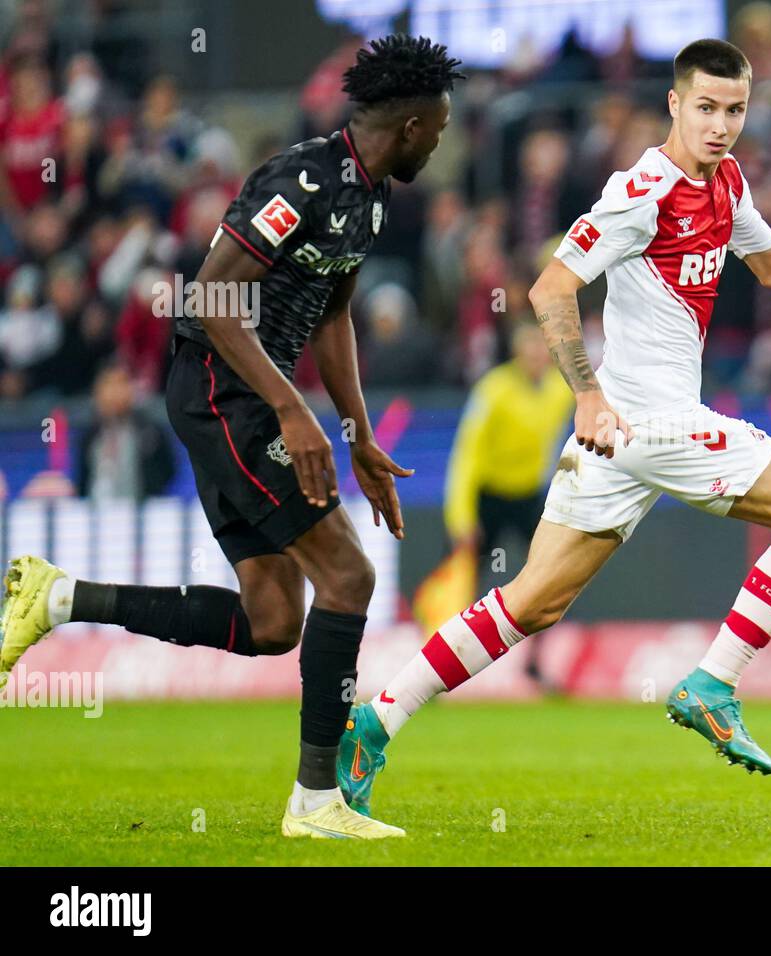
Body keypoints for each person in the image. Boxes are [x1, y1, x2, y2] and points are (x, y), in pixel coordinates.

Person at [336, 39, 771, 818]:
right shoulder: (641, 190)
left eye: (735, 110)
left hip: (623, 437)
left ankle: (374, 721)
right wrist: (585, 395)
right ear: (674, 105)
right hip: (645, 421)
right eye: (706, 108)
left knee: (530, 604)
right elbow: (550, 288)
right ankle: (713, 682)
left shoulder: (726, 182)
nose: (720, 125)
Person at [0, 35, 464, 840]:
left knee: (276, 620)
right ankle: (317, 804)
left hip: (248, 392)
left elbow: (334, 314)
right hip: (221, 385)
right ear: (415, 125)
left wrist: (354, 431)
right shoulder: (304, 178)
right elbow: (212, 301)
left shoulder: (373, 195)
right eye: (442, 129)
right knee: (349, 577)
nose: (443, 141)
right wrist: (292, 410)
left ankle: (58, 596)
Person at [441, 321, 572, 690]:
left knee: (554, 575)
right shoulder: (493, 389)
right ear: (518, 353)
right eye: (530, 350)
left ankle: (535, 662)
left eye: (542, 350)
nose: (537, 358)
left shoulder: (558, 389)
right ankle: (443, 664)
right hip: (488, 496)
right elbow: (467, 453)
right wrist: (461, 518)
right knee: (460, 585)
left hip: (530, 496)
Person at [75, 362, 176, 501]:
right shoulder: (90, 437)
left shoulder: (149, 433)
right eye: (108, 385)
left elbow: (167, 471)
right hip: (96, 514)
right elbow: (83, 480)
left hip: (138, 514)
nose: (114, 392)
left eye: (120, 384)